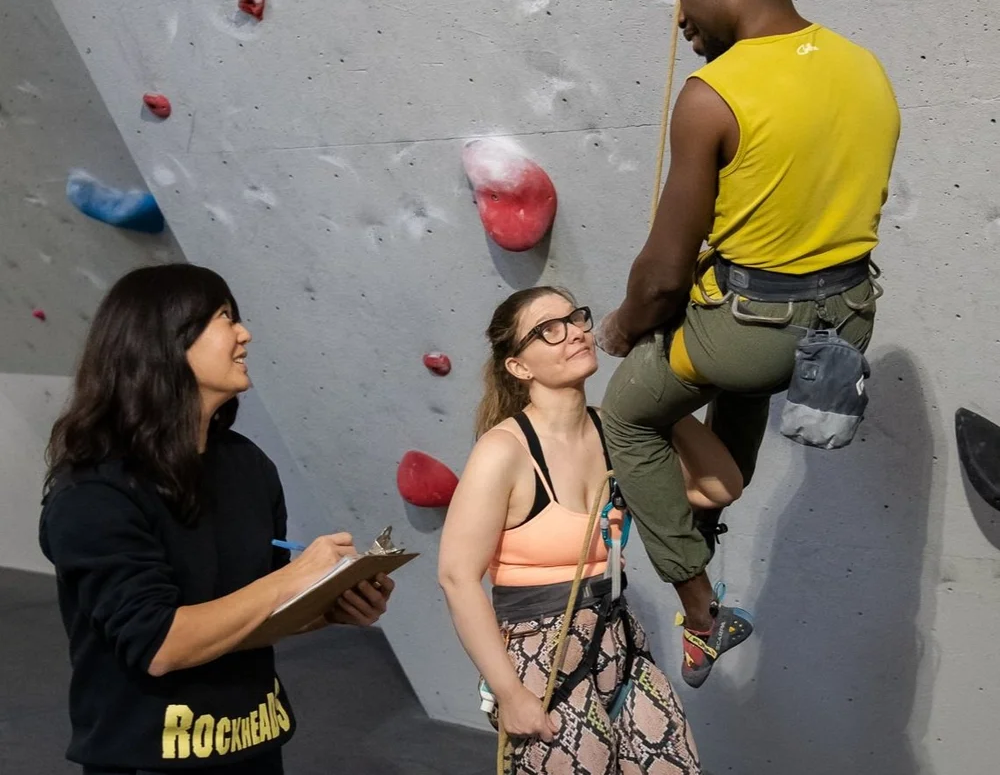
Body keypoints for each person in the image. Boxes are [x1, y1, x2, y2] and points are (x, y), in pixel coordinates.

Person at [596, 0, 901, 688]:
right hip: (842, 325)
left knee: (627, 414)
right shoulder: (864, 67)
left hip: (751, 335)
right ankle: (703, 513)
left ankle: (700, 610)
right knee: (735, 380)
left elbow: (663, 277)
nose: (680, 14)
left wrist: (625, 326)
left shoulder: (713, 96)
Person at [39, 263, 395, 774]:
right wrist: (297, 577)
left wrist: (327, 606)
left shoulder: (247, 465)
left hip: (251, 742)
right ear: (165, 340)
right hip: (151, 757)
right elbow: (159, 643)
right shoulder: (94, 492)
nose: (244, 333)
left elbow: (250, 613)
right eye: (225, 317)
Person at [439, 286, 741, 775]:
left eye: (575, 318)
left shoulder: (616, 432)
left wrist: (655, 404)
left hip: (617, 635)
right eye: (548, 329)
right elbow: (456, 577)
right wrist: (510, 693)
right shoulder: (504, 452)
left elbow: (718, 488)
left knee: (672, 765)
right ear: (519, 367)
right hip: (539, 651)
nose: (575, 332)